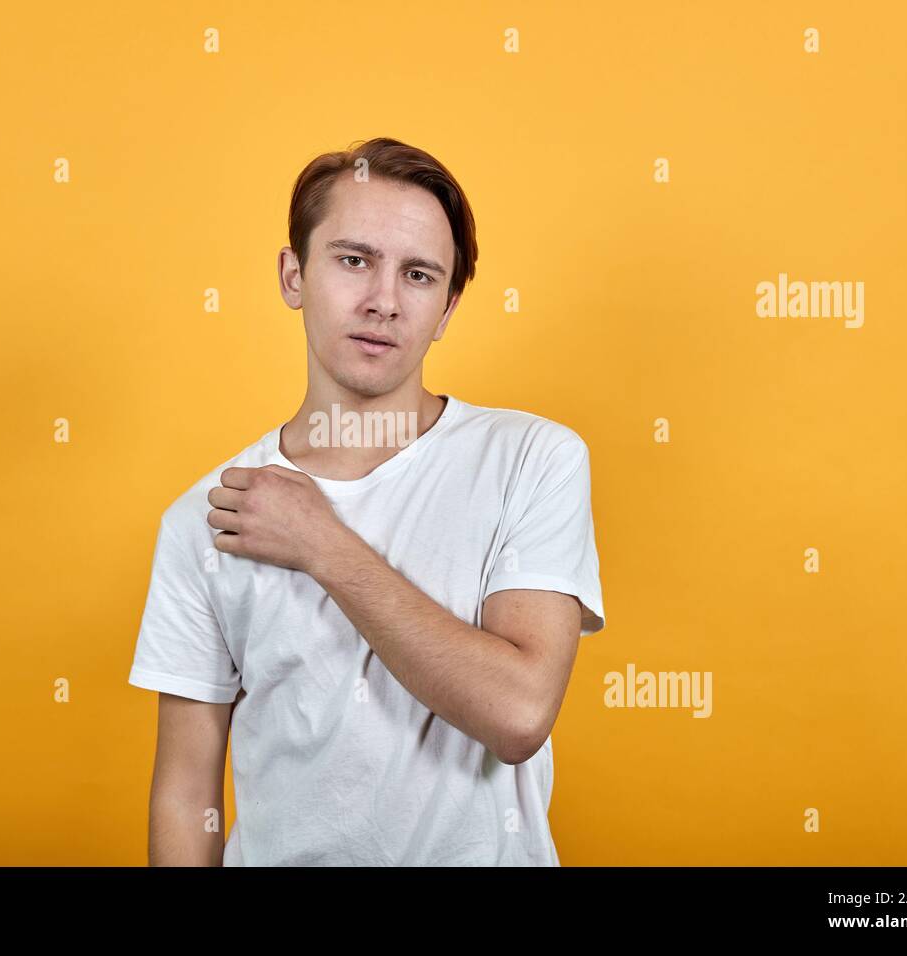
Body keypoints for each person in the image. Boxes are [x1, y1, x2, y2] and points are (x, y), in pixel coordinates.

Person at [129, 137, 606, 866]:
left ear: (446, 309)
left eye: (418, 275)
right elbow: (185, 788)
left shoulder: (532, 459)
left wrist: (323, 544)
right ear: (294, 275)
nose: (383, 300)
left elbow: (517, 714)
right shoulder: (209, 514)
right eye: (354, 260)